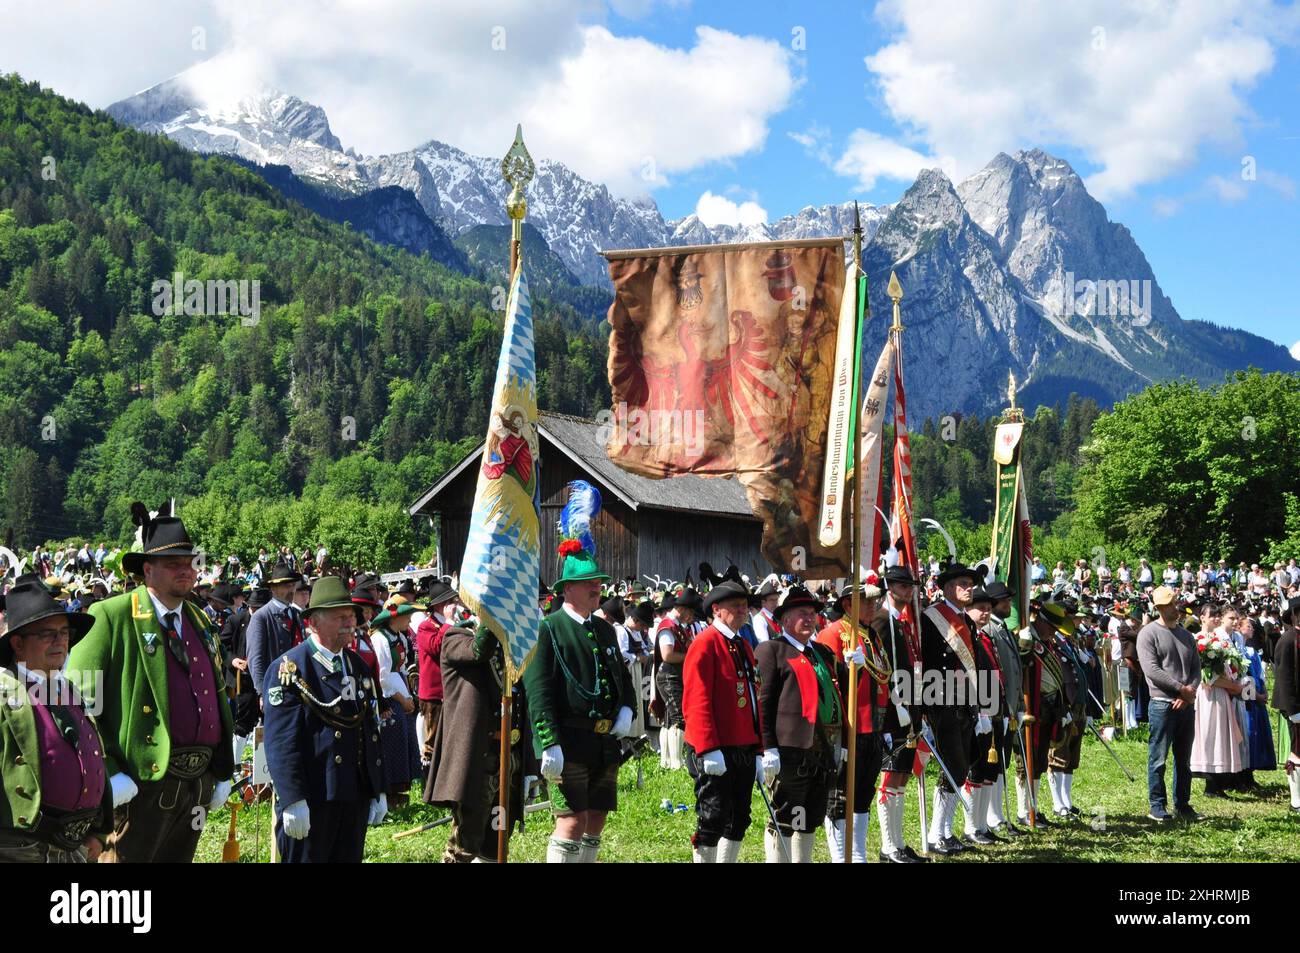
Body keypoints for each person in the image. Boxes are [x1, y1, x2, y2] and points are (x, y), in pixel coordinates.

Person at [68, 504, 235, 862]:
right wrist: (109, 772)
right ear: (147, 570)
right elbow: (77, 701)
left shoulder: (200, 621)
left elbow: (215, 697)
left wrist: (221, 767)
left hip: (196, 784)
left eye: (189, 562)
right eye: (173, 563)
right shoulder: (111, 616)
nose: (186, 570)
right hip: (138, 785)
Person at [522, 541, 635, 863]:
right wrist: (548, 743)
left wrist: (628, 708)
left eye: (598, 582)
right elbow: (538, 689)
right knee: (571, 820)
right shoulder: (548, 629)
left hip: (603, 741)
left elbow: (621, 677)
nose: (597, 588)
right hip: (568, 740)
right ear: (567, 588)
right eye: (589, 583)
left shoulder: (604, 629)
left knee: (596, 817)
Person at [263, 575, 387, 862]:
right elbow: (282, 742)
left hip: (352, 794)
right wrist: (293, 798)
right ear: (313, 623)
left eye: (351, 616)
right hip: (314, 796)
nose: (349, 623)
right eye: (339, 617)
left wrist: (377, 787)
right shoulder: (291, 669)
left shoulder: (356, 665)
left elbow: (369, 729)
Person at [0, 576, 112, 862]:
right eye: (47, 634)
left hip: (74, 846)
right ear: (18, 644)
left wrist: (99, 830)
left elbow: (92, 754)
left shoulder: (68, 689)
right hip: (21, 850)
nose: (60, 641)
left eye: (64, 632)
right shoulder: (4, 695)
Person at [756, 585, 846, 863]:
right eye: (801, 614)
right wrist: (768, 747)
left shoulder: (821, 652)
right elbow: (764, 703)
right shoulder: (772, 650)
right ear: (784, 619)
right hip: (790, 749)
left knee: (809, 817)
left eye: (812, 613)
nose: (808, 619)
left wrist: (855, 665)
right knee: (785, 816)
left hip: (825, 750)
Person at [424, 620, 524, 863]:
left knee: (497, 840)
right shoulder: (456, 636)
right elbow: (479, 651)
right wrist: (496, 618)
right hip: (478, 758)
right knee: (466, 843)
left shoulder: (509, 643)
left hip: (509, 754)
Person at [682, 579, 761, 863]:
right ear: (716, 609)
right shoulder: (705, 643)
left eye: (745, 606)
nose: (743, 611)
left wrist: (759, 747)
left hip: (743, 745)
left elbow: (753, 698)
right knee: (712, 815)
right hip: (716, 747)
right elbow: (696, 699)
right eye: (736, 606)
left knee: (739, 816)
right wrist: (707, 747)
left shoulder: (743, 645)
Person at [816, 579, 888, 863]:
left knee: (862, 796)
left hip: (873, 726)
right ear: (847, 604)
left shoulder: (873, 636)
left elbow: (882, 677)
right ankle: (840, 856)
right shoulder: (833, 634)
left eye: (873, 601)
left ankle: (857, 854)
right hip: (848, 727)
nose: (873, 605)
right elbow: (827, 684)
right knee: (840, 798)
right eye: (866, 601)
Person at [920, 562, 988, 853]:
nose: (969, 588)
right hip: (940, 699)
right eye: (963, 583)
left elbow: (975, 665)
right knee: (952, 764)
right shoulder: (931, 618)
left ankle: (946, 831)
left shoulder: (968, 621)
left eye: (970, 583)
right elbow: (924, 663)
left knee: (962, 766)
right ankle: (936, 834)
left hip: (965, 702)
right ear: (948, 588)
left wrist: (982, 705)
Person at [870, 565, 929, 862]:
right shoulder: (882, 621)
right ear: (889, 587)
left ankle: (899, 842)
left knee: (902, 777)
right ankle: (888, 846)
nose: (907, 591)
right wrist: (896, 702)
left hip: (910, 709)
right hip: (893, 712)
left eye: (910, 586)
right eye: (901, 586)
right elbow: (880, 669)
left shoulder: (903, 623)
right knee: (890, 777)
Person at [1137, 586, 1203, 823]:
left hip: (1185, 705)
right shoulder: (1148, 634)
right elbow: (1152, 670)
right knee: (1158, 758)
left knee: (1184, 759)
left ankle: (1183, 804)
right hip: (1162, 705)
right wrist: (1180, 689)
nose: (1176, 607)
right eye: (1170, 603)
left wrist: (1187, 694)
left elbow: (1196, 669)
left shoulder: (1187, 636)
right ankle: (1157, 805)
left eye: (1175, 602)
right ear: (1159, 608)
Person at [370, 601, 422, 808]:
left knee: (404, 740)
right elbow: (382, 676)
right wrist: (401, 698)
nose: (409, 620)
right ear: (394, 618)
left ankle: (400, 790)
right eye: (407, 616)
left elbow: (401, 669)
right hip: (389, 696)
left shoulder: (400, 637)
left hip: (402, 693)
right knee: (392, 743)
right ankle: (389, 791)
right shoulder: (380, 640)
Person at [982, 581, 1024, 836]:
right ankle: (992, 815)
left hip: (1009, 706)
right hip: (996, 706)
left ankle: (996, 814)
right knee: (993, 764)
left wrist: (1018, 704)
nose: (1010, 605)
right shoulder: (990, 629)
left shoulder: (1003, 629)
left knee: (1002, 764)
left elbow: (1014, 669)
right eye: (1006, 601)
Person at [653, 588, 702, 770]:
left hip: (675, 675)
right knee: (678, 718)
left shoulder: (677, 626)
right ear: (681, 609)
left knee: (669, 719)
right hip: (669, 676)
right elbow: (667, 655)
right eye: (690, 612)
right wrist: (691, 654)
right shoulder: (667, 626)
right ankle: (676, 763)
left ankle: (668, 761)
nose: (691, 617)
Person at [246, 563, 306, 702]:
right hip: (276, 687)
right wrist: (262, 692)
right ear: (273, 588)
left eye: (292, 585)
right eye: (286, 586)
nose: (291, 589)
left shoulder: (296, 614)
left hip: (300, 687)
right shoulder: (261, 617)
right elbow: (256, 659)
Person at [414, 580, 458, 765]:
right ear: (441, 605)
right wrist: (448, 622)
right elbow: (437, 647)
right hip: (433, 695)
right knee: (432, 742)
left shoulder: (449, 624)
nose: (454, 605)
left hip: (449, 690)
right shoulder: (426, 626)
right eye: (450, 602)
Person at [1273, 597, 1300, 810]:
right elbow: (1284, 677)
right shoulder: (1288, 640)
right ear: (1294, 615)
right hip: (1295, 705)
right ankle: (1296, 800)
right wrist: (1293, 710)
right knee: (1298, 749)